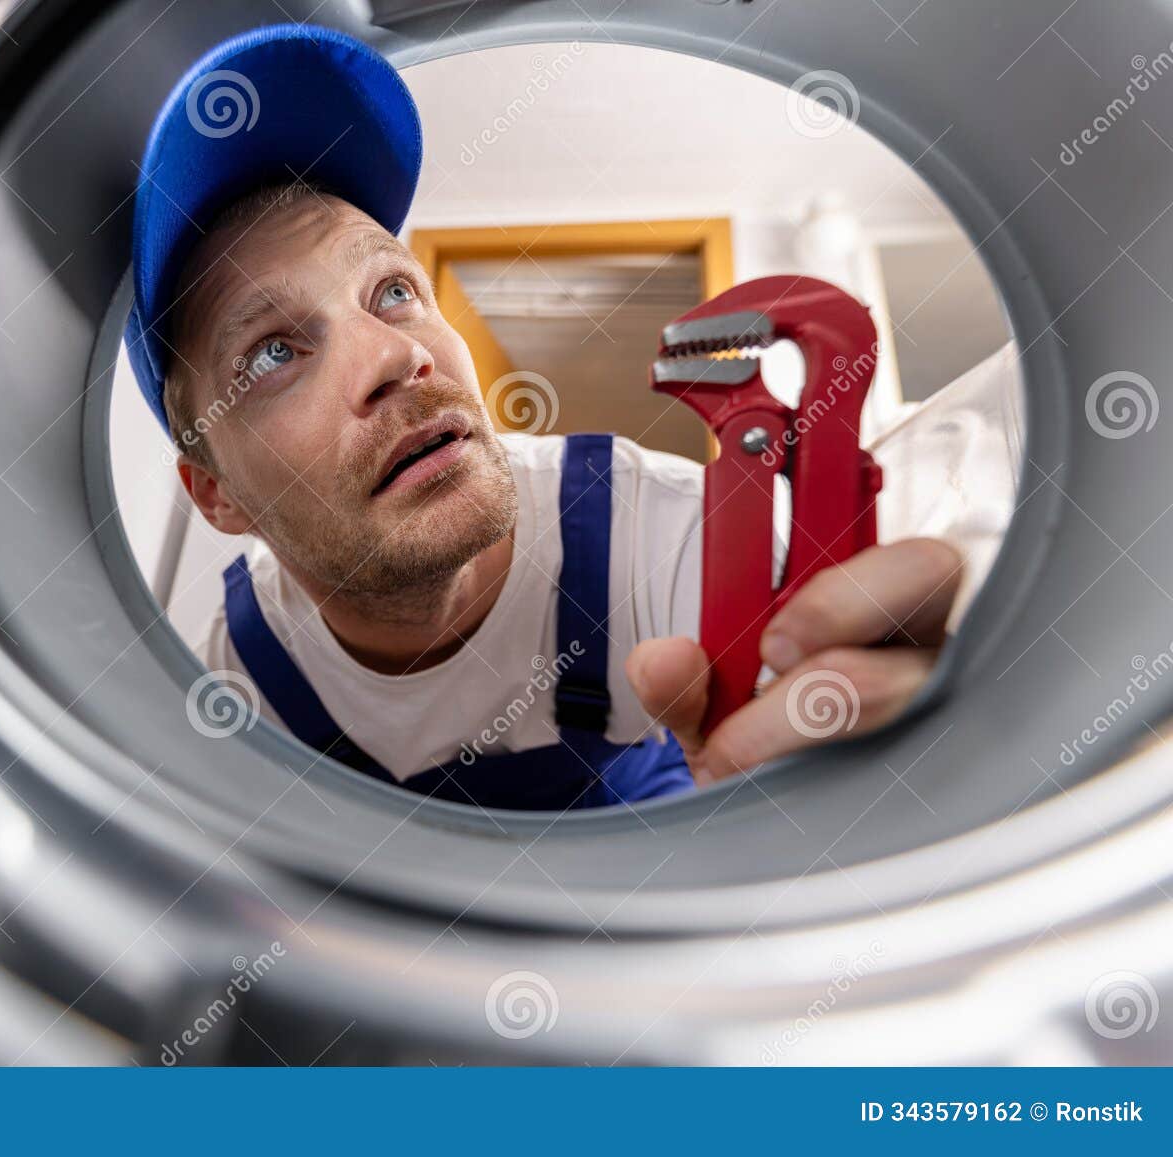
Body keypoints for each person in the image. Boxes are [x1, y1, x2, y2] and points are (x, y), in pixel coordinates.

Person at [125, 23, 964, 810]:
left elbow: (830, 721)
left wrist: (901, 771)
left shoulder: (666, 534)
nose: (394, 355)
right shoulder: (239, 689)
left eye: (392, 291)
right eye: (272, 353)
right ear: (216, 494)